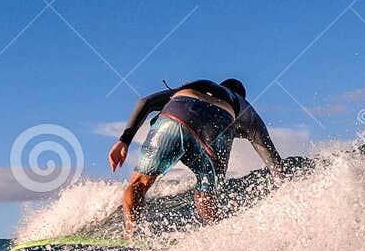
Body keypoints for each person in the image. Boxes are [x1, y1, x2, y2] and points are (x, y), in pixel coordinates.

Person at [107, 78, 286, 235]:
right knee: (207, 197)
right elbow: (266, 149)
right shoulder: (242, 104)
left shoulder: (198, 85)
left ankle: (131, 232)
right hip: (219, 121)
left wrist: (124, 141)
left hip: (178, 110)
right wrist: (283, 183)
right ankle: (219, 237)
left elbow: (145, 102)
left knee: (139, 183)